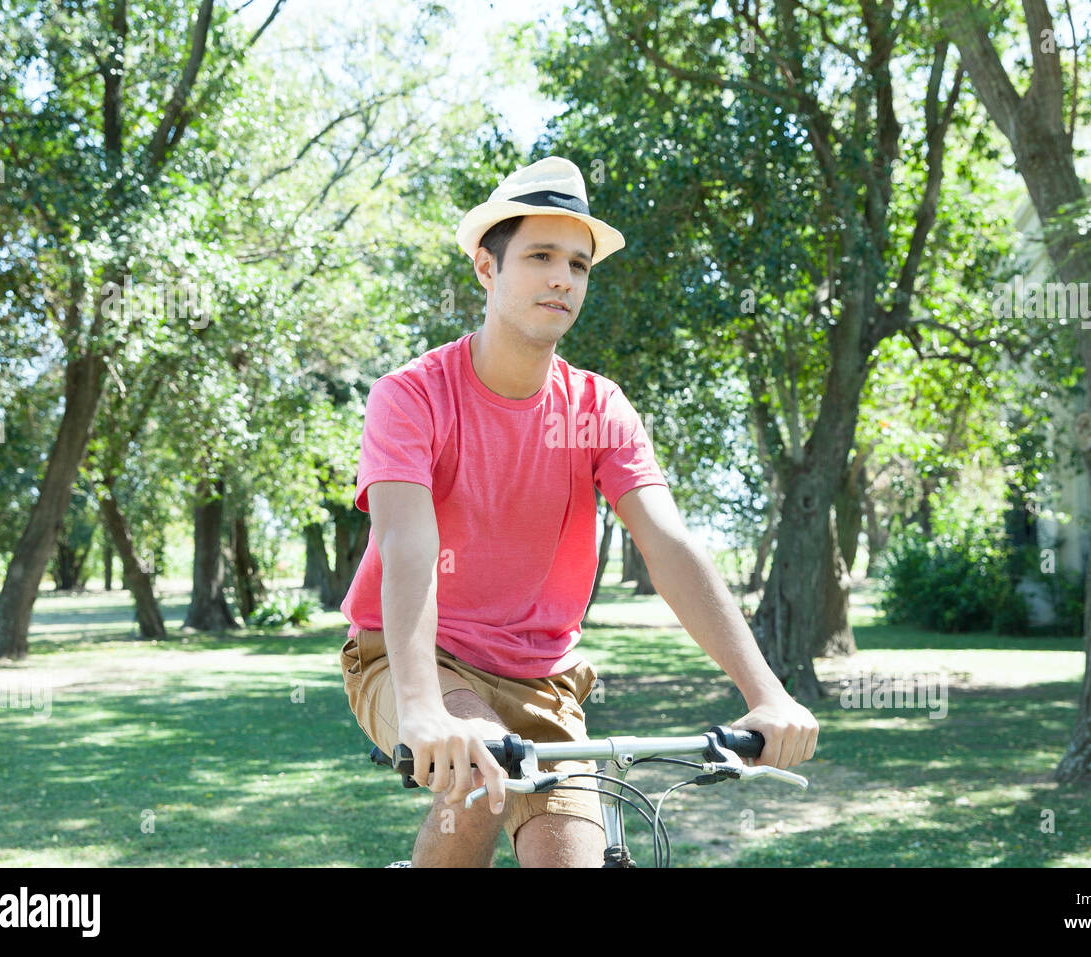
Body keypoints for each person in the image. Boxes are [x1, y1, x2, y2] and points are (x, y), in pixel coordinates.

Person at [338, 155, 818, 868]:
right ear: (485, 270)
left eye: (579, 263)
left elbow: (668, 543)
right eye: (539, 256)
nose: (563, 277)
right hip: (416, 659)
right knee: (477, 774)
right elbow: (408, 545)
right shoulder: (412, 396)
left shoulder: (598, 408)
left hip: (544, 679)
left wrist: (766, 692)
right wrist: (422, 708)